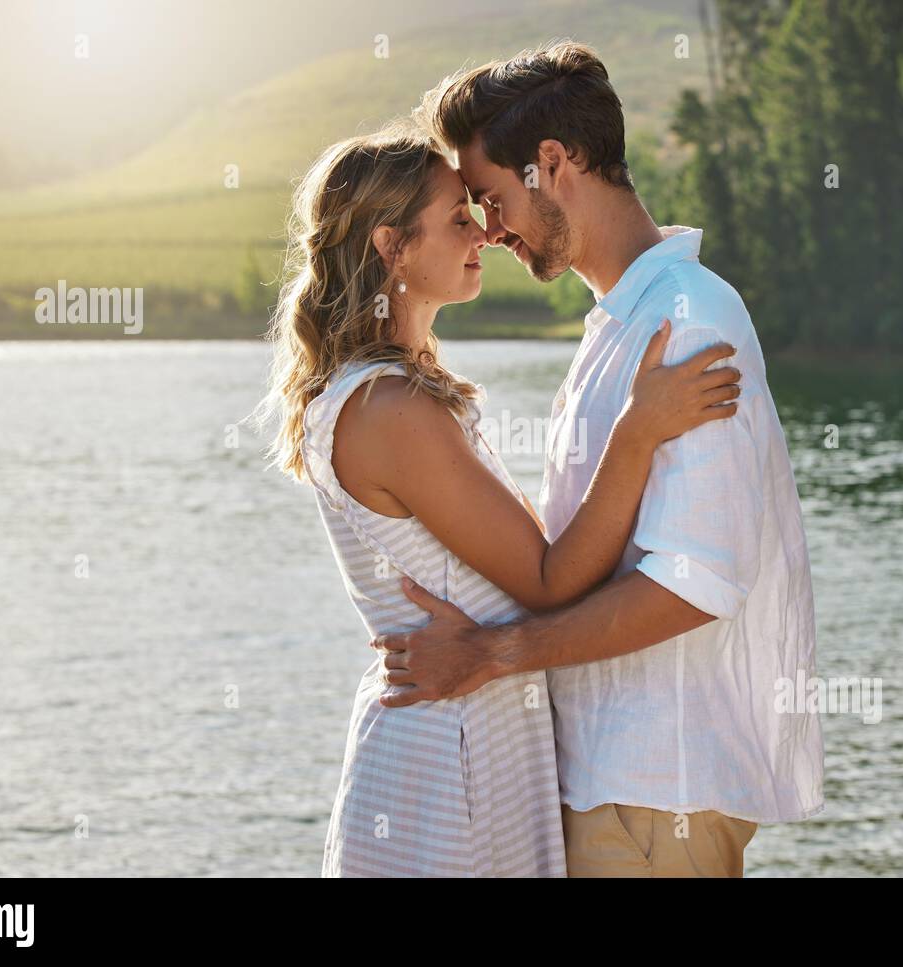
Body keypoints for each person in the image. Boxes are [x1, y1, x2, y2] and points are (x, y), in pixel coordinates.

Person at [370, 41, 826, 877]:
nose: (489, 229)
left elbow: (697, 583)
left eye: (493, 198)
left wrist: (492, 654)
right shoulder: (623, 323)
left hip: (657, 796)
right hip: (617, 788)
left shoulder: (688, 323)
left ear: (553, 162)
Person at [255, 121, 741, 876]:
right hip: (450, 758)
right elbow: (552, 579)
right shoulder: (390, 411)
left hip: (466, 736)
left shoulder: (385, 396)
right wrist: (639, 429)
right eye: (457, 218)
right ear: (391, 246)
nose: (483, 230)